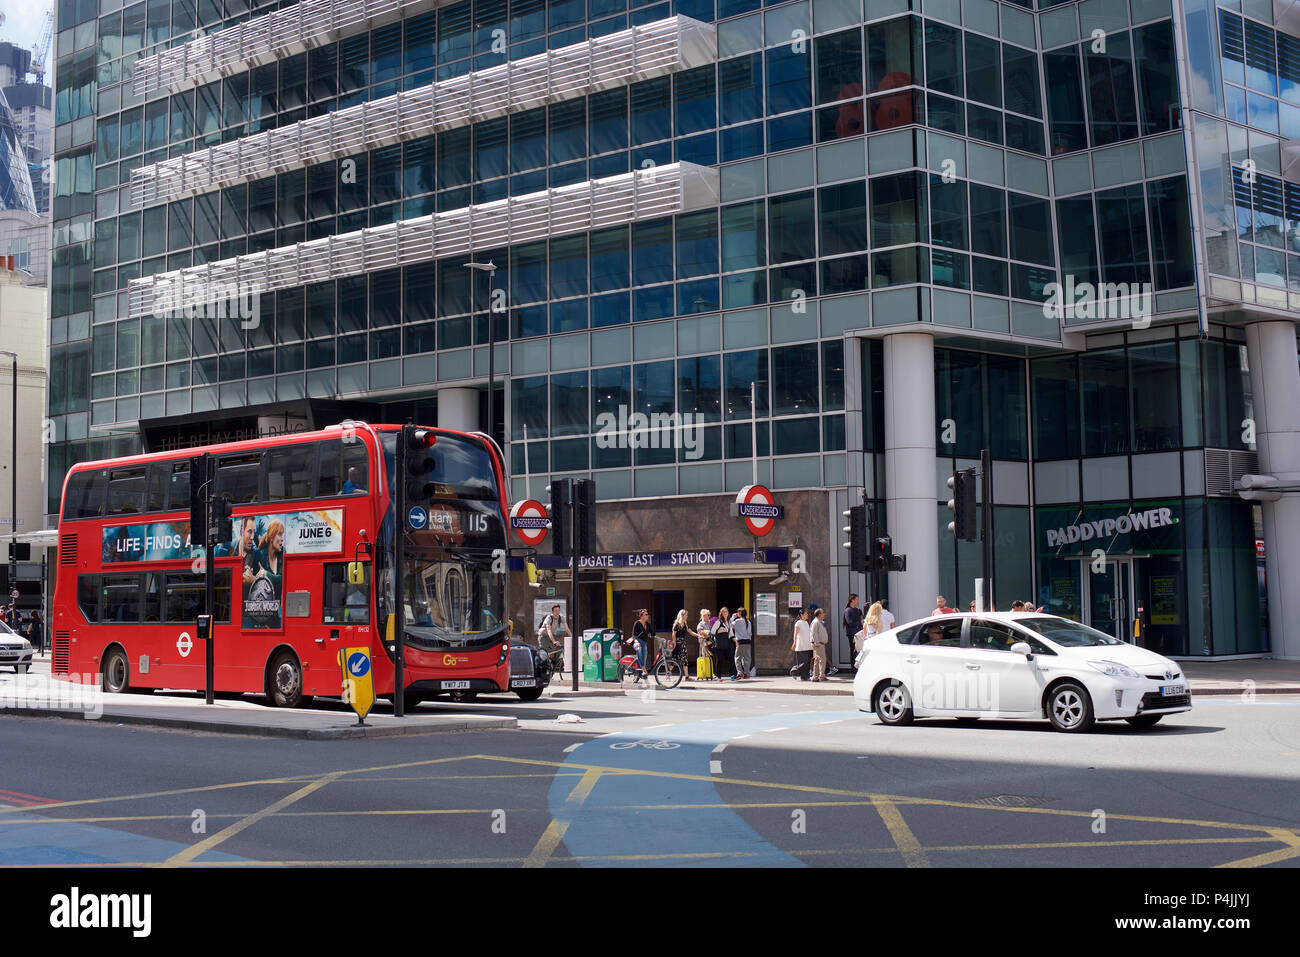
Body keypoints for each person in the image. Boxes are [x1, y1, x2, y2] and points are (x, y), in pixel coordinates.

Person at [729, 606, 752, 680]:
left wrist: (732, 617)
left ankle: (740, 673)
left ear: (739, 613)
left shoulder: (738, 621)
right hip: (748, 642)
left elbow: (729, 625)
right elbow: (750, 633)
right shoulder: (748, 622)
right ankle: (747, 673)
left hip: (740, 642)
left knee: (737, 658)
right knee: (746, 658)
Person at [790, 608, 813, 680]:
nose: (807, 615)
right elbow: (795, 634)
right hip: (801, 645)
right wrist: (794, 643)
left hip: (808, 645)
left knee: (808, 662)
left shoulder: (806, 622)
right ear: (801, 615)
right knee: (804, 661)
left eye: (807, 614)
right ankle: (794, 670)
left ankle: (805, 676)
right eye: (805, 614)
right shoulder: (798, 623)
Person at [671, 609, 694, 680]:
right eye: (686, 615)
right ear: (682, 615)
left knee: (685, 659)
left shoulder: (685, 624)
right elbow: (673, 634)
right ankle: (668, 674)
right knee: (673, 660)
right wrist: (674, 642)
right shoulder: (677, 624)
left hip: (683, 644)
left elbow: (690, 632)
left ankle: (687, 676)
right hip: (677, 644)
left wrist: (698, 635)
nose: (687, 616)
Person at [630, 608, 652, 680]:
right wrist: (636, 642)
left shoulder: (647, 624)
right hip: (636, 641)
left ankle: (641, 672)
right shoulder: (637, 623)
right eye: (646, 614)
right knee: (639, 650)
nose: (647, 616)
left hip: (644, 642)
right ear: (641, 616)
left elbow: (653, 633)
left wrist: (660, 638)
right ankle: (644, 669)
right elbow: (634, 635)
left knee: (644, 655)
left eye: (647, 614)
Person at [712, 607, 732, 679]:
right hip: (719, 643)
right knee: (719, 660)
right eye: (723, 612)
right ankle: (718, 675)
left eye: (726, 611)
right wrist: (719, 631)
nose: (725, 613)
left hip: (727, 643)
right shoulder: (718, 622)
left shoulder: (729, 622)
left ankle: (732, 675)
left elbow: (731, 633)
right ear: (721, 613)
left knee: (731, 658)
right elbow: (712, 632)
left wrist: (735, 641)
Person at [810, 607, 830, 681]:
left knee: (817, 660)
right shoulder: (816, 622)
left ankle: (815, 676)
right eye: (823, 613)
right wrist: (817, 643)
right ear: (819, 614)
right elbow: (814, 633)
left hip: (819, 643)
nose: (824, 614)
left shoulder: (820, 621)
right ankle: (821, 676)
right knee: (822, 660)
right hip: (818, 644)